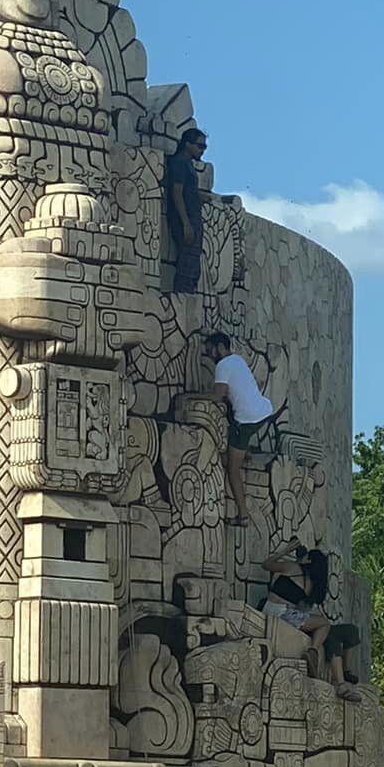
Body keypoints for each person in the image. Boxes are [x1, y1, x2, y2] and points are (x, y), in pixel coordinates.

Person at [262, 543, 363, 698]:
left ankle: (326, 659)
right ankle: (316, 653)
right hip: (283, 614)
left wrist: (286, 550)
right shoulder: (312, 586)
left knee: (333, 627)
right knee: (325, 625)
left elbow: (266, 565)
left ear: (309, 560)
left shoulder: (292, 568)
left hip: (278, 612)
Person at [203, 330, 274, 525]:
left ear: (219, 347)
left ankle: (243, 516)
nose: (209, 356)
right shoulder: (238, 360)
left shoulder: (222, 365)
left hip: (246, 421)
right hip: (263, 412)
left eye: (210, 351)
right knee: (232, 421)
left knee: (232, 469)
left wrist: (192, 396)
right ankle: (243, 451)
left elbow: (217, 396)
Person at [164, 127, 207, 293]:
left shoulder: (188, 164)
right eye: (200, 146)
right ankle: (182, 295)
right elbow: (177, 193)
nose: (202, 150)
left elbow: (188, 192)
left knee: (193, 262)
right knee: (187, 262)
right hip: (185, 218)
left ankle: (187, 293)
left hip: (193, 216)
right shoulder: (180, 162)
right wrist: (186, 223)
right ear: (188, 144)